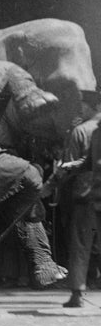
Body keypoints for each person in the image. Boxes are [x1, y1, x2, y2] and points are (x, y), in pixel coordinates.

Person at [62, 93, 101, 308]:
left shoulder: (80, 131)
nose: (81, 110)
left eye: (84, 106)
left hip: (85, 196)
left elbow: (70, 165)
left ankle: (77, 293)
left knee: (80, 245)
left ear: (93, 106)